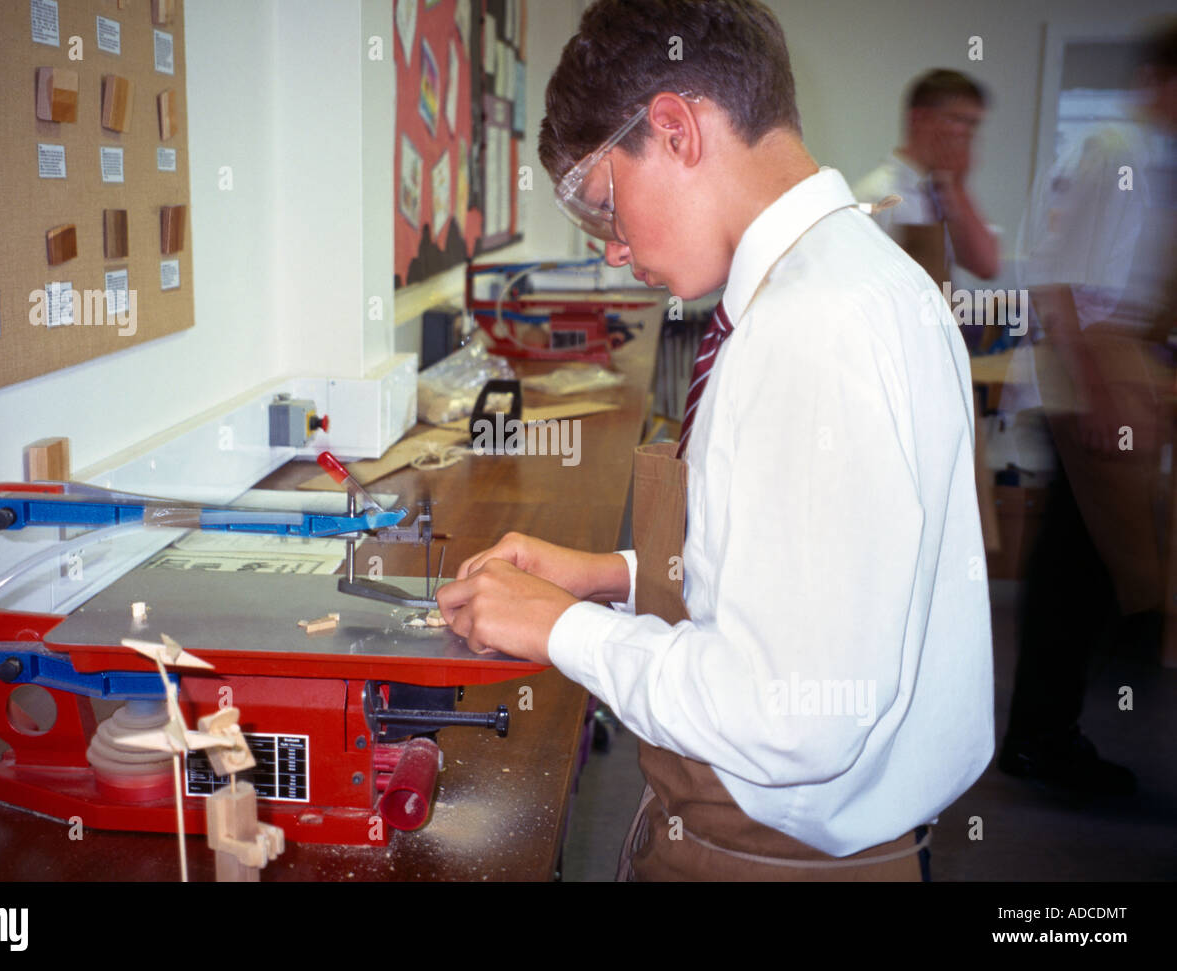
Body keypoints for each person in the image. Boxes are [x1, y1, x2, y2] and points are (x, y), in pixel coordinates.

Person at [436, 0, 993, 881]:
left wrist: (565, 628)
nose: (615, 251)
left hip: (776, 856)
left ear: (674, 129)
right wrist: (612, 577)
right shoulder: (855, 277)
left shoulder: (807, 329)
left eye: (606, 204)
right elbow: (816, 574)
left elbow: (787, 714)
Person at [999, 20, 1177, 795]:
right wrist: (1104, 395)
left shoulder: (1140, 156)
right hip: (1086, 395)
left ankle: (1044, 733)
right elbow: (1061, 282)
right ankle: (1042, 738)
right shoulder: (1118, 152)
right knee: (1082, 578)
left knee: (1080, 572)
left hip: (1096, 388)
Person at [854, 69, 1001, 287]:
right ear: (918, 118)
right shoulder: (876, 194)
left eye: (974, 124)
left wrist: (959, 188)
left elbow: (986, 266)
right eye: (958, 120)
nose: (967, 134)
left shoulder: (945, 193)